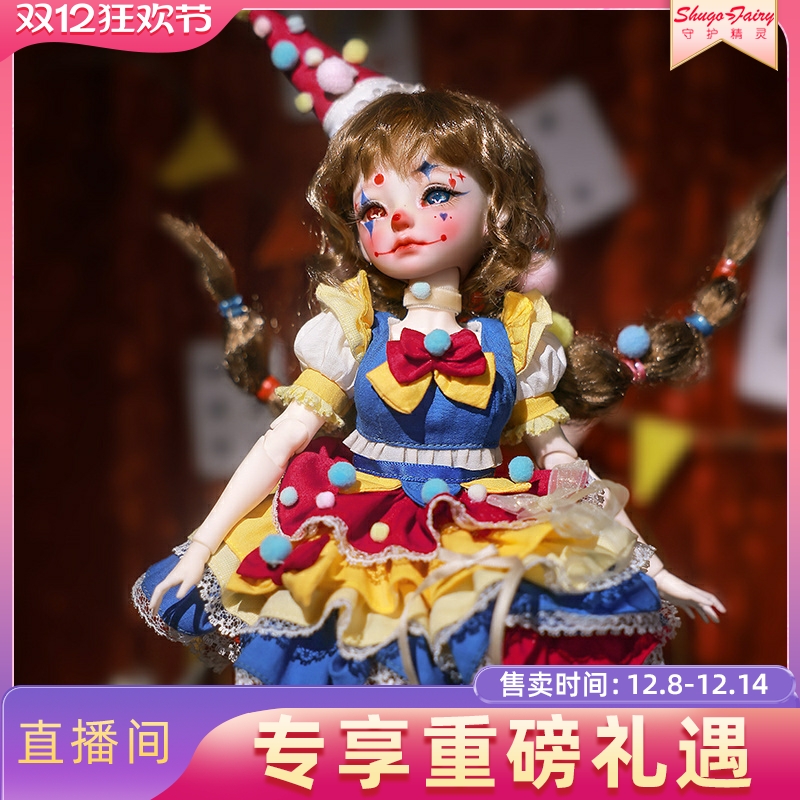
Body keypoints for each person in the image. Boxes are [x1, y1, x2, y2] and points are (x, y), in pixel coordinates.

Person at [134, 13, 730, 685]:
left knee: (470, 675)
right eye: (373, 209)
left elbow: (564, 466)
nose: (400, 219)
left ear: (495, 203)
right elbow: (280, 445)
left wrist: (649, 565)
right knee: (347, 687)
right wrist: (200, 547)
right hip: (355, 524)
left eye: (435, 192)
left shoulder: (520, 334)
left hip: (480, 527)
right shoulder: (352, 327)